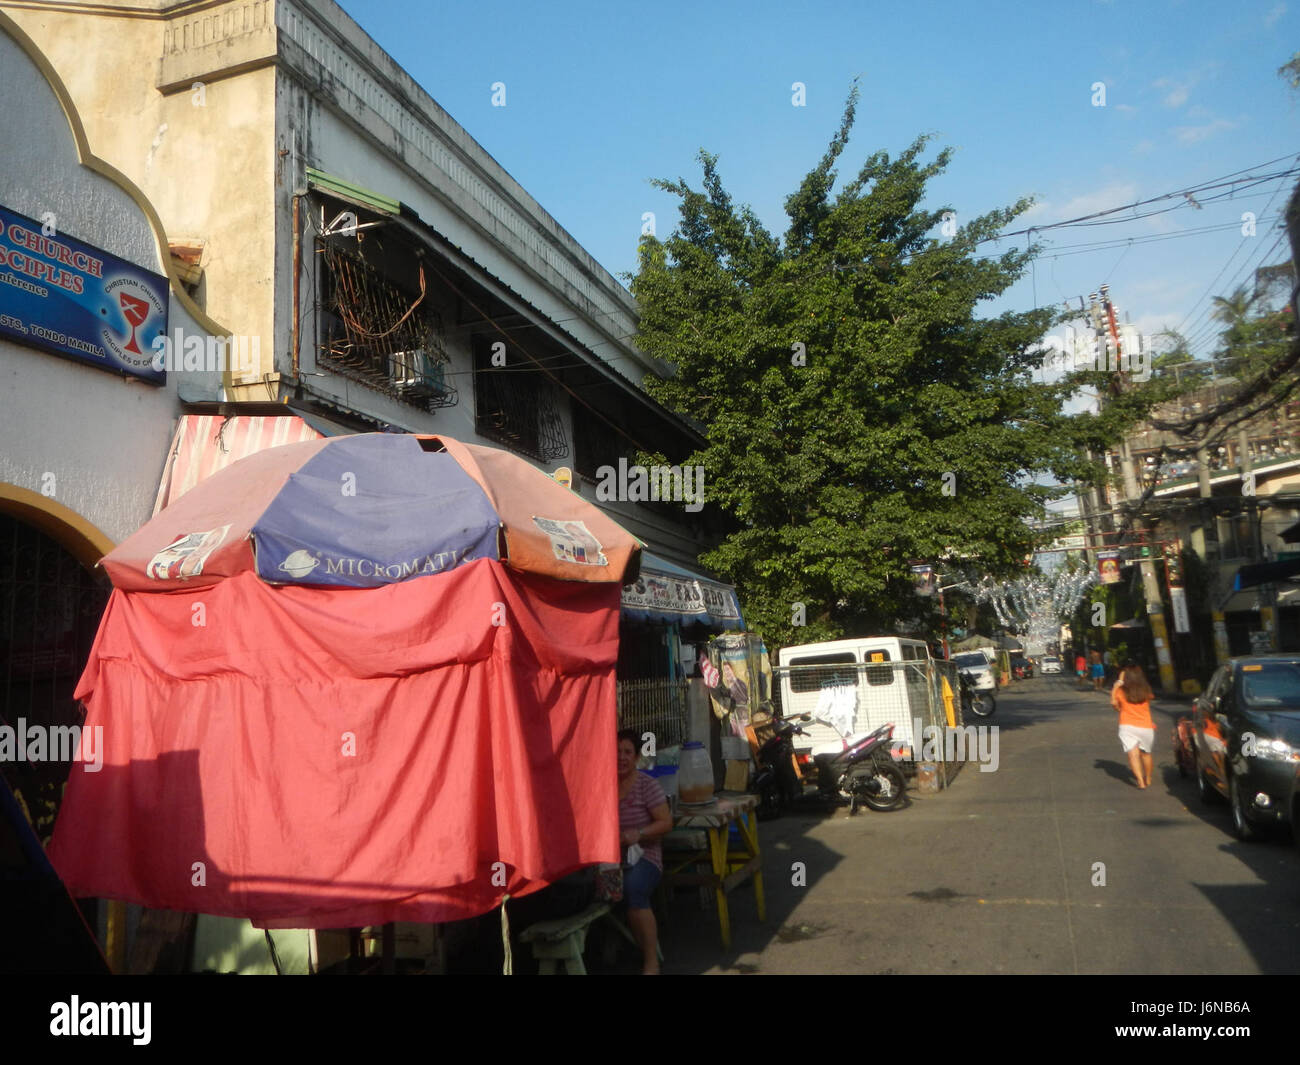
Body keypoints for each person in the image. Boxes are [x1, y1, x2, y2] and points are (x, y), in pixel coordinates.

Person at [616, 728, 672, 974]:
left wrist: (637, 834)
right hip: (611, 859)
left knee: (634, 889)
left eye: (627, 752)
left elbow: (666, 822)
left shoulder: (646, 785)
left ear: (637, 757)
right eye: (617, 752)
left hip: (645, 856)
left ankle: (651, 960)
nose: (621, 757)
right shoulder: (602, 786)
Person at [1111, 664, 1155, 788]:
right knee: (1146, 754)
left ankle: (1140, 781)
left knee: (1132, 754)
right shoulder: (1146, 690)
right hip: (1146, 726)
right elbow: (1149, 699)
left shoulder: (1120, 691)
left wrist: (1116, 685)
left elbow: (1114, 704)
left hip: (1127, 726)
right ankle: (1148, 778)